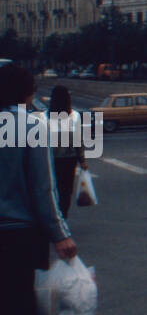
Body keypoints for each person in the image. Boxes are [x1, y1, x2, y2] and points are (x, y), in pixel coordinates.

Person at [0, 64, 77, 315]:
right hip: (16, 239)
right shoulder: (30, 126)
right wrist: (60, 235)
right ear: (27, 92)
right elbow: (44, 190)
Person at [46, 85, 83, 218]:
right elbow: (79, 141)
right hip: (69, 158)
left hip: (51, 158)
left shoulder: (46, 116)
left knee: (53, 188)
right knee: (66, 190)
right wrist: (82, 160)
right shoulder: (74, 116)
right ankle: (63, 215)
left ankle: (55, 214)